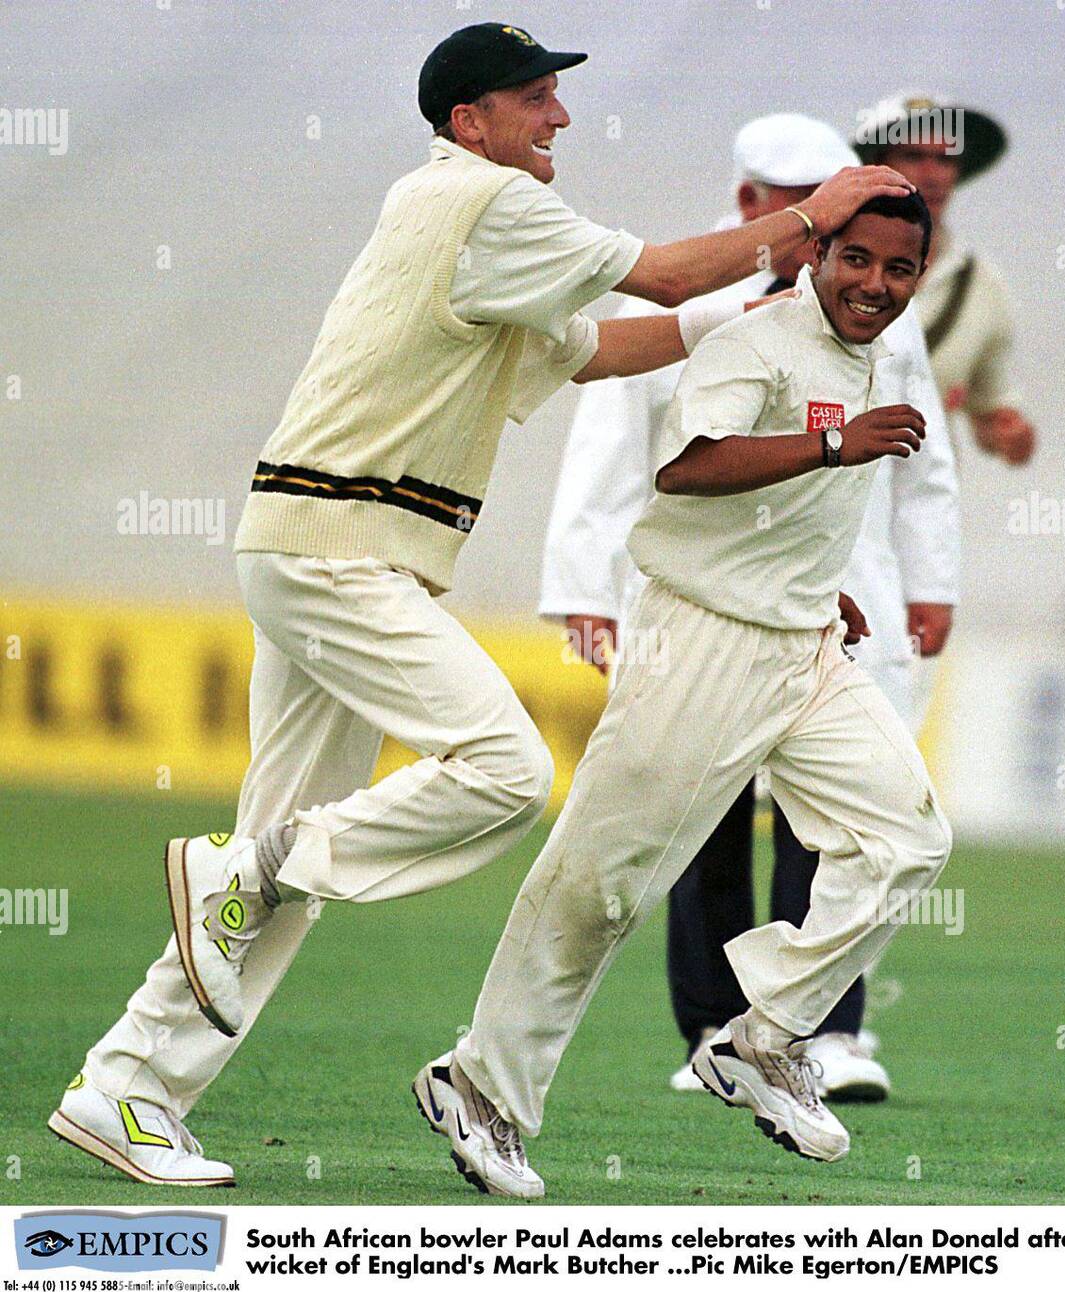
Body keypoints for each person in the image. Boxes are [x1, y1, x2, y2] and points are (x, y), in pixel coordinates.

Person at [48, 23, 914, 1187]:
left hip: (332, 545)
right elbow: (657, 272)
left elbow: (607, 346)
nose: (559, 118)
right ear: (471, 121)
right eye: (537, 98)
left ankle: (127, 1086)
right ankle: (241, 871)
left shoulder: (483, 236)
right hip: (337, 543)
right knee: (503, 770)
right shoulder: (477, 200)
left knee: (290, 868)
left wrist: (758, 301)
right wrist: (811, 218)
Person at [416, 189, 953, 1199]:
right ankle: (477, 1084)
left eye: (898, 269)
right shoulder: (757, 339)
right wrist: (836, 447)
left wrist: (812, 577)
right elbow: (685, 468)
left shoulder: (873, 348)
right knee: (605, 883)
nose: (875, 286)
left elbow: (788, 498)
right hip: (697, 644)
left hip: (801, 644)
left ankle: (764, 1037)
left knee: (906, 837)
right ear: (816, 253)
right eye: (857, 260)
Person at [540, 114, 959, 1105]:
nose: (835, 230)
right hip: (703, 596)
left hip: (838, 598)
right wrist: (578, 590)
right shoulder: (700, 300)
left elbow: (926, 463)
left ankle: (827, 1030)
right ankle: (708, 1030)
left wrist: (931, 583)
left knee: (846, 820)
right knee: (702, 816)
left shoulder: (875, 299)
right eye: (809, 205)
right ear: (748, 203)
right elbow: (612, 449)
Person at [852, 92, 1036, 466]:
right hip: (826, 491)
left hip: (922, 502)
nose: (931, 174)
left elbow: (987, 409)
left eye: (946, 159)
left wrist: (1011, 436)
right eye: (912, 156)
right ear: (875, 163)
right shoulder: (817, 260)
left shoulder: (981, 285)